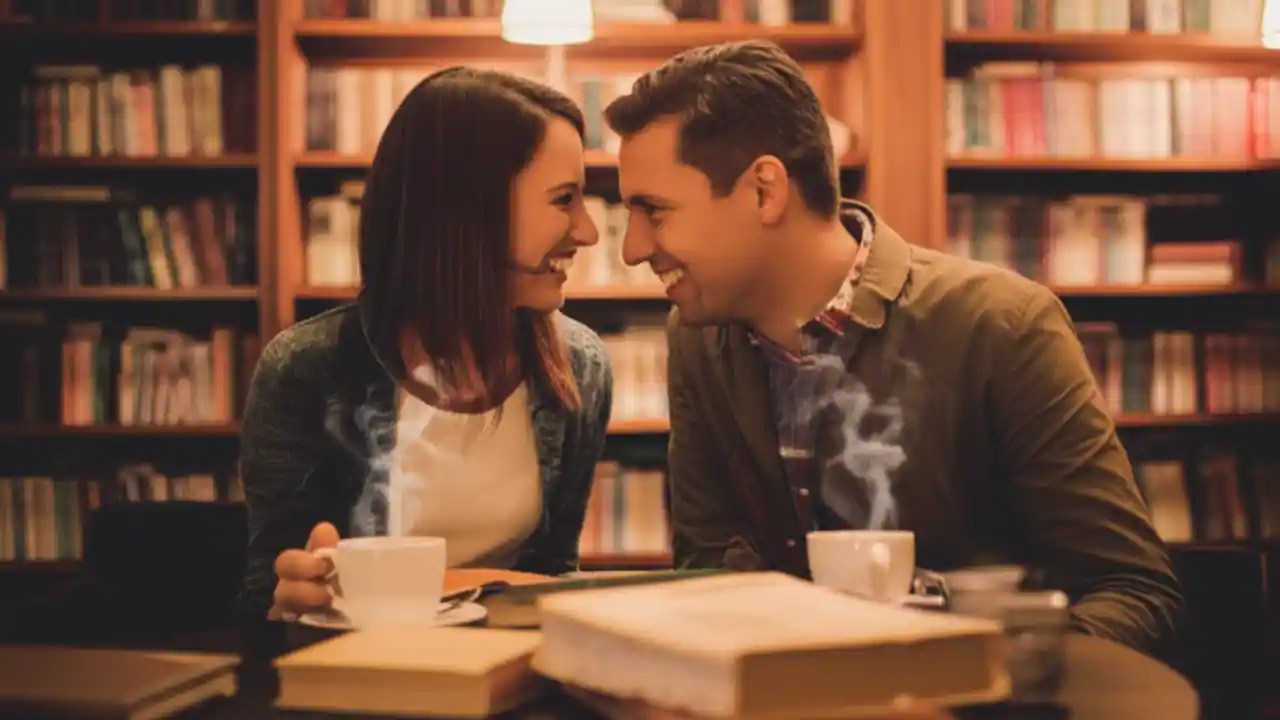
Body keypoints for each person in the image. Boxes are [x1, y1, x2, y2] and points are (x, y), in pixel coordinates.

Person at [605, 40, 1185, 662]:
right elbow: (707, 569)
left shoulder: (1002, 325)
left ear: (764, 192)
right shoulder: (695, 340)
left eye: (654, 211)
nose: (631, 248)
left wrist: (989, 679)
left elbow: (1135, 592)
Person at [237, 67, 611, 623]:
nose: (588, 231)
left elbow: (552, 572)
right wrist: (291, 596)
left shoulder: (579, 366)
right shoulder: (305, 370)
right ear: (466, 211)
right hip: (365, 677)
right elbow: (267, 591)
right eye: (564, 200)